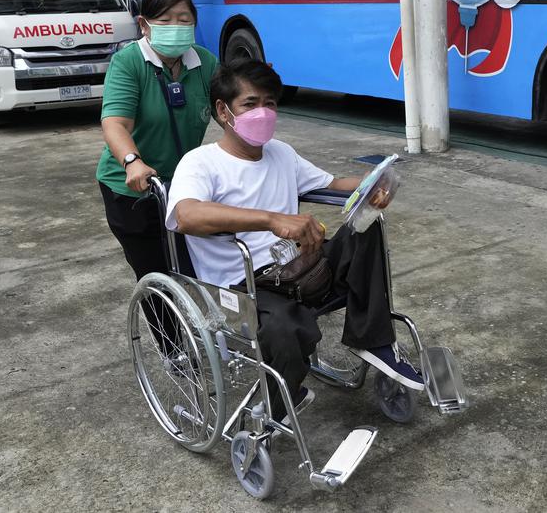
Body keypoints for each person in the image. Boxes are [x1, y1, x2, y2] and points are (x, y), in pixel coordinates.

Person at [165, 59, 423, 423]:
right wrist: (271, 219)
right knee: (288, 329)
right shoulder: (200, 163)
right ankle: (279, 405)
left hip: (300, 267)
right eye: (250, 104)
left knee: (367, 226)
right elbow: (186, 215)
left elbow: (333, 185)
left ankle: (373, 341)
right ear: (224, 111)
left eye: (269, 103)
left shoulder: (281, 153)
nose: (263, 113)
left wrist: (374, 184)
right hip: (246, 286)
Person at [97, 0, 218, 284]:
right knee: (157, 275)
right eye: (164, 21)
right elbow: (115, 123)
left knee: (198, 268)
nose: (175, 27)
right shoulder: (128, 62)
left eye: (183, 19)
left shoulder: (205, 62)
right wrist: (132, 161)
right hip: (133, 188)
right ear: (144, 24)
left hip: (183, 185)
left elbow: (228, 110)